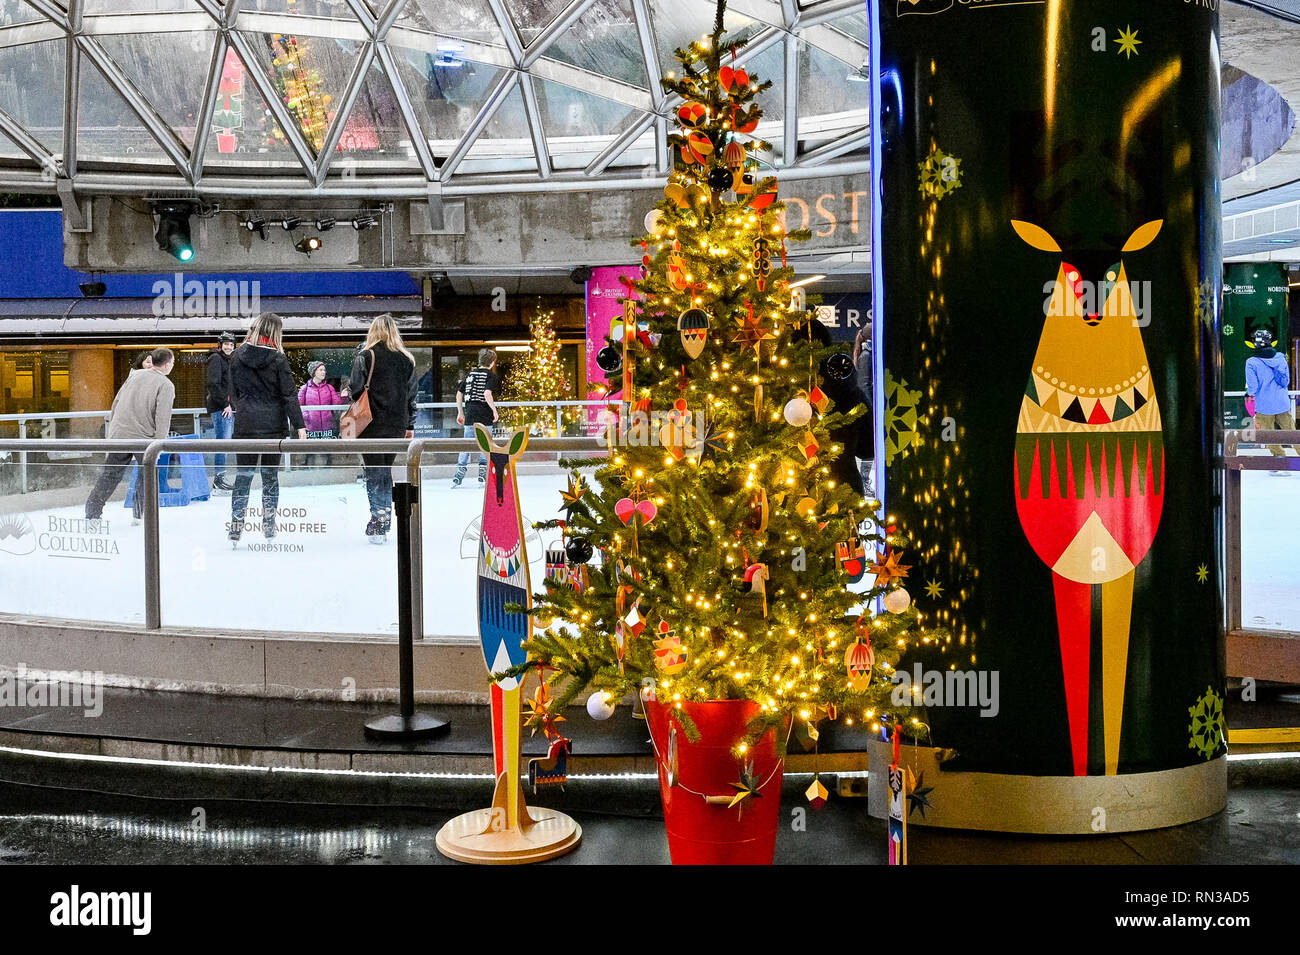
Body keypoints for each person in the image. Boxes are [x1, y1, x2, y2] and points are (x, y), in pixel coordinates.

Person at [228, 313, 306, 545]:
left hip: (245, 425)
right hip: (273, 427)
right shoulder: (278, 359)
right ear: (275, 332)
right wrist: (299, 425)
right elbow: (289, 395)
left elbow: (233, 393)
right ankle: (269, 525)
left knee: (243, 477)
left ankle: (236, 526)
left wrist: (243, 407)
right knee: (270, 477)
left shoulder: (236, 356)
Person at [85, 347, 176, 526]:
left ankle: (92, 512)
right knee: (147, 475)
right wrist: (159, 444)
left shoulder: (134, 376)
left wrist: (113, 431)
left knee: (110, 475)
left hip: (120, 433)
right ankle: (139, 513)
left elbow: (116, 403)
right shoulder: (165, 384)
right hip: (144, 438)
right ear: (166, 365)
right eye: (172, 363)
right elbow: (163, 417)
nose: (172, 366)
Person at [347, 313, 417, 541]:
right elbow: (411, 396)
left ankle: (378, 521)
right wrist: (409, 425)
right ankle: (385, 519)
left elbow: (356, 389)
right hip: (396, 425)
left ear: (373, 331)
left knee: (374, 472)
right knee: (385, 470)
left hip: (371, 424)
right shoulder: (407, 360)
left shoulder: (365, 356)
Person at [452, 348, 500, 488]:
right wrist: (494, 410)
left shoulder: (470, 375)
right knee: (486, 443)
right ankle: (482, 473)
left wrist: (460, 412)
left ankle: (460, 471)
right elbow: (487, 394)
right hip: (484, 414)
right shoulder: (491, 376)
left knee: (467, 442)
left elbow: (459, 394)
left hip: (470, 413)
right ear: (492, 363)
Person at [1246, 326, 1295, 462]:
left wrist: (1249, 397)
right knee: (1292, 433)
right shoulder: (1281, 358)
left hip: (1264, 406)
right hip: (1282, 403)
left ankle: (1279, 457)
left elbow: (1253, 388)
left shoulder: (1251, 362)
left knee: (1268, 435)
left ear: (1255, 343)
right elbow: (1285, 382)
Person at [298, 361, 349, 467]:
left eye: (324, 370)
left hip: (327, 425)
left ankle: (328, 467)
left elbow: (336, 403)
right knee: (310, 450)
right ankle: (308, 467)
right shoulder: (305, 389)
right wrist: (307, 417)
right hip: (311, 427)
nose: (323, 372)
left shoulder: (329, 388)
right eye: (320, 370)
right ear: (314, 372)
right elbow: (299, 406)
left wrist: (343, 397)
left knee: (327, 449)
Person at [205, 332, 236, 490]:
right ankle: (218, 479)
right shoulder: (216, 358)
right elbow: (213, 383)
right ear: (220, 345)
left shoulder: (228, 360)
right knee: (222, 444)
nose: (229, 347)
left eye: (231, 344)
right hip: (221, 408)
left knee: (225, 444)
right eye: (226, 344)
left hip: (227, 407)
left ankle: (220, 478)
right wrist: (225, 404)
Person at [851, 323, 875, 497]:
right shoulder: (866, 355)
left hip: (869, 407)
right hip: (868, 410)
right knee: (868, 449)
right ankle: (864, 481)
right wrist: (871, 409)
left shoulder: (869, 353)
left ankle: (865, 480)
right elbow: (864, 385)